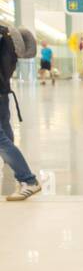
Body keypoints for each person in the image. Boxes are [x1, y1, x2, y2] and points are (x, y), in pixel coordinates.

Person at [0, 28, 40, 200]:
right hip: (2, 93)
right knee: (5, 135)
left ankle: (28, 180)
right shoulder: (6, 36)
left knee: (2, 140)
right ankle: (20, 174)